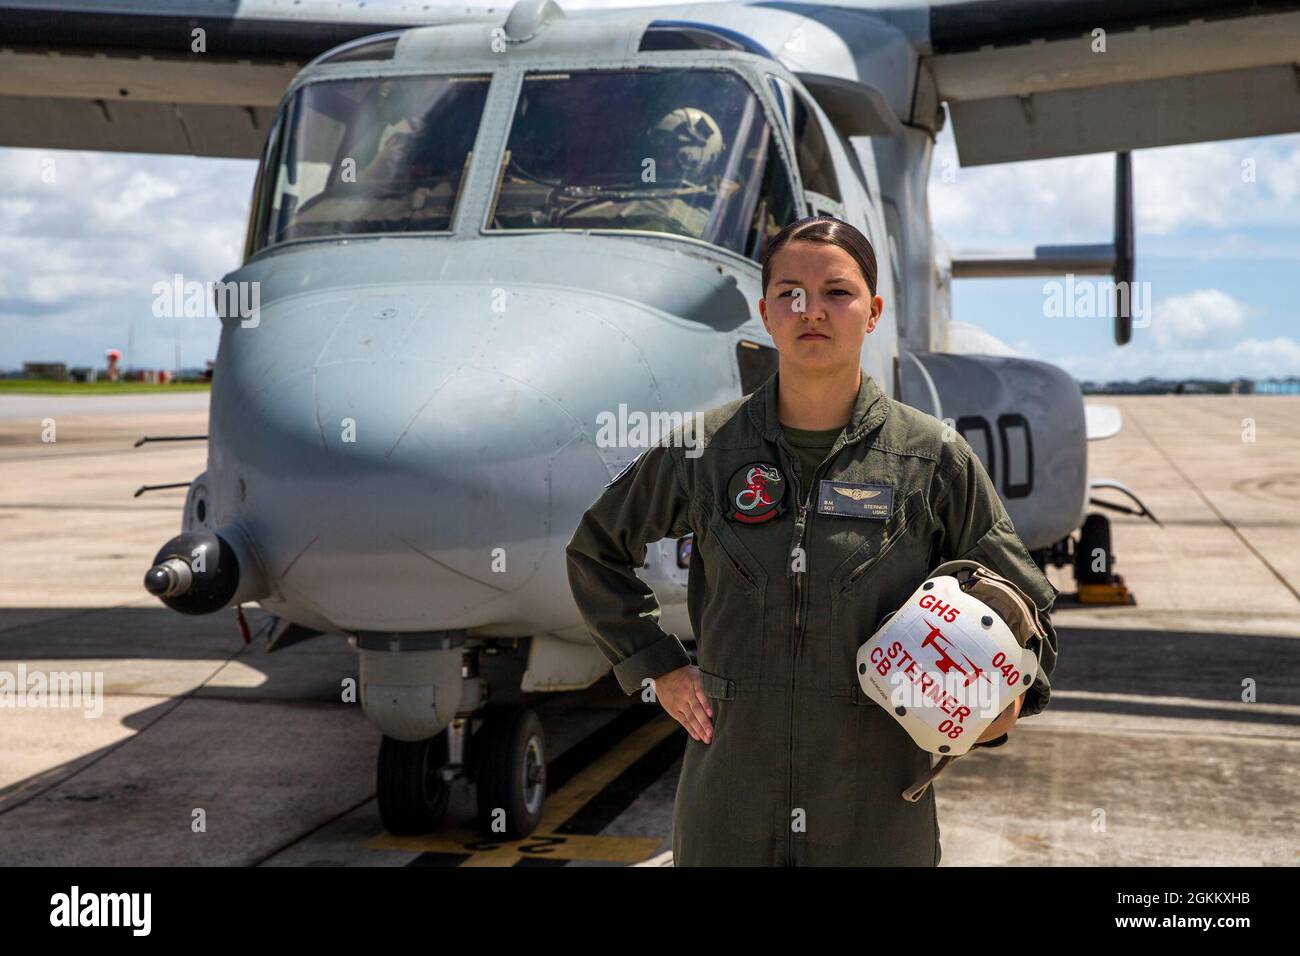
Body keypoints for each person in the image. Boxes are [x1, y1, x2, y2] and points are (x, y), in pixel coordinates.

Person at [565, 215, 1059, 866]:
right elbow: (596, 549)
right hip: (729, 815)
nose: (812, 311)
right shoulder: (708, 449)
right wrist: (656, 666)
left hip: (876, 813)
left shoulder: (930, 458)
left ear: (873, 311)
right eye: (790, 293)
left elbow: (1027, 610)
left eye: (837, 292)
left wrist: (1004, 704)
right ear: (765, 313)